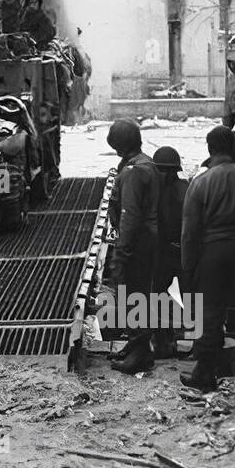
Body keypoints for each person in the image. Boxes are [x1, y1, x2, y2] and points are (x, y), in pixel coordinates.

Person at [179, 126, 235, 392]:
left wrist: (188, 267)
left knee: (210, 312)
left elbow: (190, 232)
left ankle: (205, 372)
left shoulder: (201, 181)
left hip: (213, 252)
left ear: (210, 147)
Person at [103, 119, 159, 374]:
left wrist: (121, 254)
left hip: (137, 242)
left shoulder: (134, 171)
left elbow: (130, 215)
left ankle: (140, 353)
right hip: (146, 240)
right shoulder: (144, 162)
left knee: (133, 296)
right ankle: (136, 345)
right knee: (139, 294)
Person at [152, 146, 188, 360]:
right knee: (189, 296)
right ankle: (175, 340)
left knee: (160, 296)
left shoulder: (156, 191)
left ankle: (165, 341)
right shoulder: (187, 188)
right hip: (181, 249)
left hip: (167, 249)